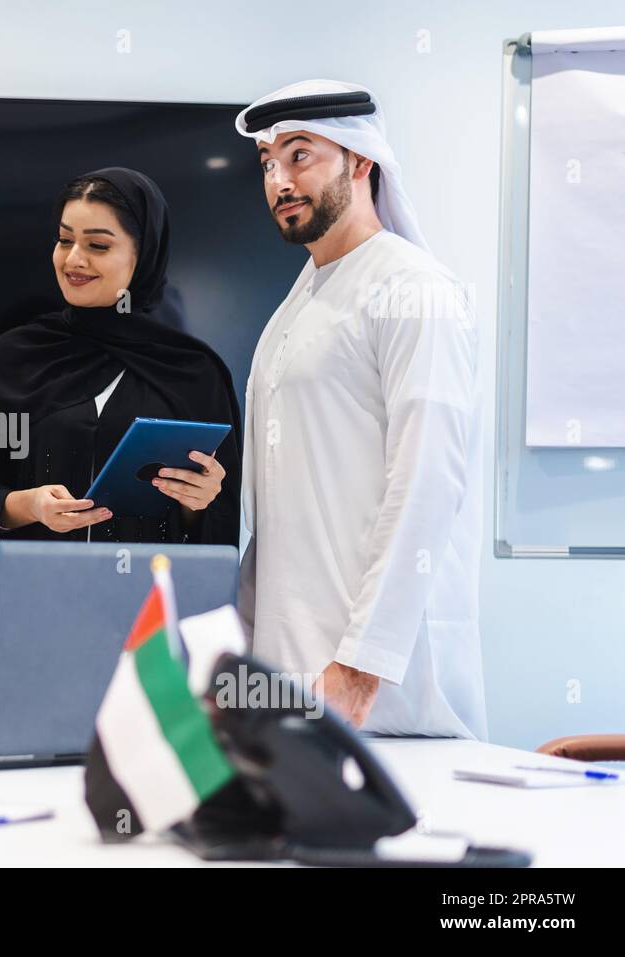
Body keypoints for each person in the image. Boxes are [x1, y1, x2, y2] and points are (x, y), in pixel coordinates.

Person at [235, 79, 485, 738]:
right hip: (289, 686)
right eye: (267, 163)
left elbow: (427, 481)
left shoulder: (416, 290)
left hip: (383, 703)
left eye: (299, 155)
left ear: (361, 159)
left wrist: (361, 664)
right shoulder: (295, 307)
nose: (279, 180)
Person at [0, 167, 240, 545]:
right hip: (34, 587)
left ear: (143, 252)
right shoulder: (18, 355)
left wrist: (197, 502)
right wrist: (28, 506)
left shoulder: (193, 370)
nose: (73, 260)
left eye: (97, 246)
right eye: (65, 240)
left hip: (154, 593)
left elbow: (219, 522)